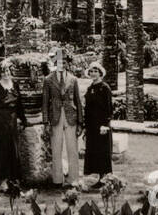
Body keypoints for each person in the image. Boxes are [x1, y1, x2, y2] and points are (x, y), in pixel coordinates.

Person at [41, 47, 82, 188]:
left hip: (71, 117)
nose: (61, 65)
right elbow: (45, 103)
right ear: (55, 63)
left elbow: (78, 101)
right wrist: (45, 122)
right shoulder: (48, 80)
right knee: (56, 148)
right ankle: (57, 180)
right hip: (55, 117)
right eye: (59, 62)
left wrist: (81, 122)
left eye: (64, 62)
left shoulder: (73, 79)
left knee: (72, 149)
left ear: (67, 64)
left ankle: (74, 179)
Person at [0, 59, 26, 185]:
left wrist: (23, 119)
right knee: (1, 147)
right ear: (0, 73)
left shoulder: (15, 85)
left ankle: (14, 176)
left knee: (13, 146)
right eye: (3, 71)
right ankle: (0, 176)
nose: (6, 73)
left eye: (7, 71)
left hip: (12, 119)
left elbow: (19, 105)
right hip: (0, 120)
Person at [82, 62, 113, 186]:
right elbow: (87, 109)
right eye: (91, 71)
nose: (93, 73)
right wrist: (85, 127)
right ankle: (96, 179)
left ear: (100, 73)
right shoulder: (90, 88)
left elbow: (109, 108)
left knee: (102, 151)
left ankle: (104, 179)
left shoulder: (104, 88)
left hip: (101, 126)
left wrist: (105, 124)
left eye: (96, 71)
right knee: (93, 151)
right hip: (91, 126)